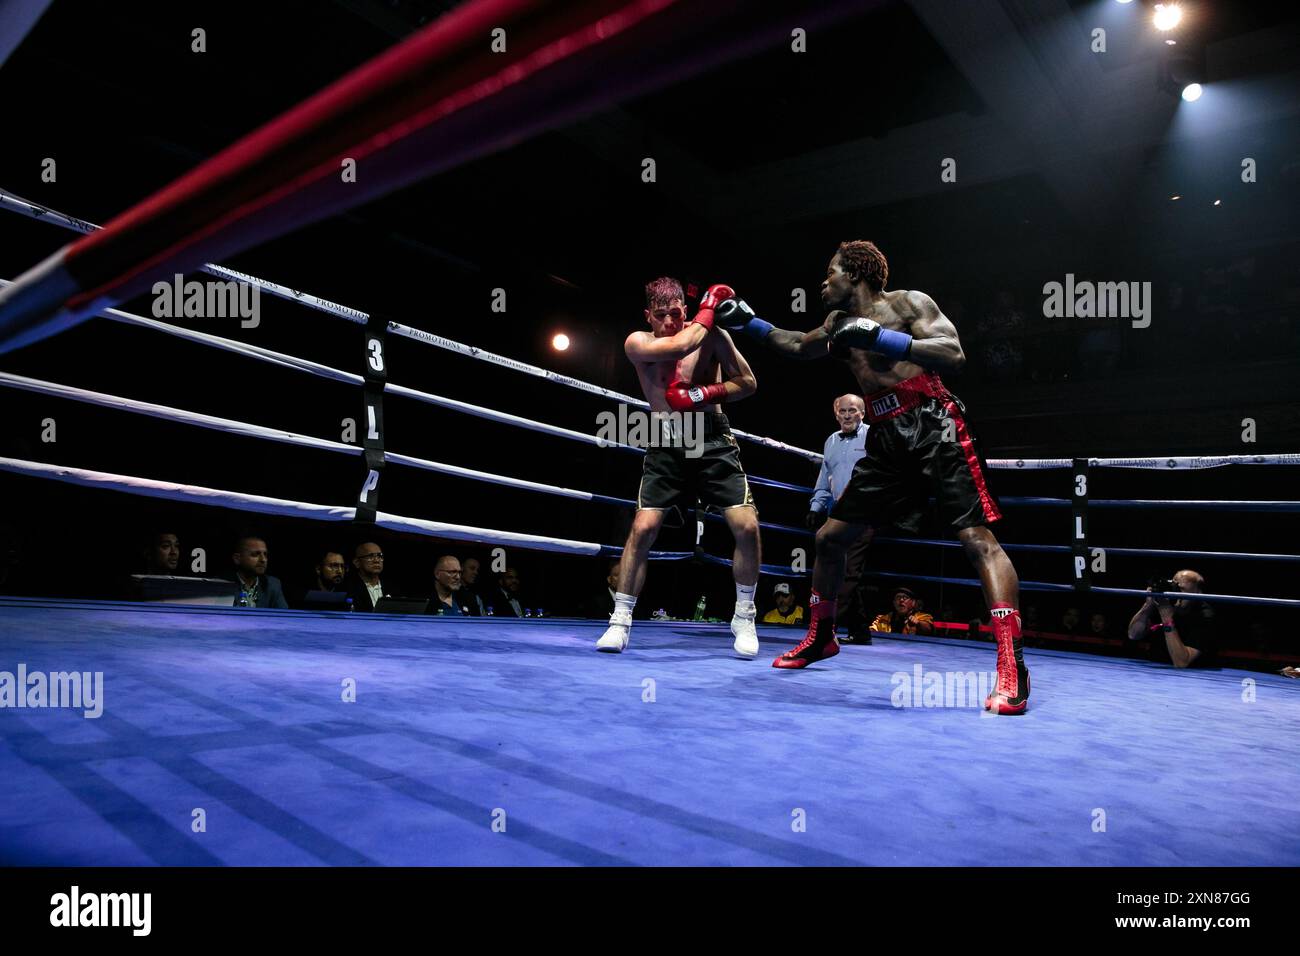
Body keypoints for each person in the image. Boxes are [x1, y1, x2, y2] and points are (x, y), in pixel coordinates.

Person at [718, 240, 1029, 714]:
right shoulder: (836, 326)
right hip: (884, 437)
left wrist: (883, 338)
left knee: (976, 538)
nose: (823, 284)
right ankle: (822, 636)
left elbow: (953, 352)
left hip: (932, 421)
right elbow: (797, 345)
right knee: (829, 539)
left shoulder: (908, 303)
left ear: (856, 274)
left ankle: (1012, 666)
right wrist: (748, 321)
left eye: (831, 274)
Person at [596, 277, 762, 658]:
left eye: (676, 313)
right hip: (667, 439)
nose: (670, 321)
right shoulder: (638, 342)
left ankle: (744, 615)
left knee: (747, 525)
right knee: (644, 525)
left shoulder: (714, 336)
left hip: (713, 438)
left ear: (685, 310)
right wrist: (708, 308)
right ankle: (620, 621)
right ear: (647, 316)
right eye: (661, 315)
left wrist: (707, 392)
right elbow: (682, 345)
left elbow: (749, 383)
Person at [807, 394, 873, 643]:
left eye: (853, 411)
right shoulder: (831, 441)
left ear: (862, 413)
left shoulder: (872, 436)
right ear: (836, 414)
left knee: (847, 570)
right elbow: (825, 476)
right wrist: (816, 507)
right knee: (840, 567)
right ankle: (860, 630)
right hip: (837, 513)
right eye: (843, 411)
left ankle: (826, 629)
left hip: (865, 512)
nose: (847, 415)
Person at [1125, 570, 1217, 668]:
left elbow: (1181, 663)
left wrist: (1166, 615)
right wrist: (1148, 605)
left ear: (1198, 592)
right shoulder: (1164, 600)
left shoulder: (1205, 615)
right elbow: (1133, 635)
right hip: (1155, 666)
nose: (1176, 593)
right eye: (1175, 587)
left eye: (1182, 589)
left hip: (1189, 676)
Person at [230, 535, 288, 609]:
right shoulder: (221, 585)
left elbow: (283, 616)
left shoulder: (272, 585)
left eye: (265, 554)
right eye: (255, 554)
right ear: (237, 559)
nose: (263, 560)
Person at [868, 585, 934, 636]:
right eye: (898, 597)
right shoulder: (883, 619)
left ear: (913, 603)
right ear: (894, 603)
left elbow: (927, 629)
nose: (901, 600)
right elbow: (872, 632)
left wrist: (918, 624)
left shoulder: (922, 617)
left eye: (905, 597)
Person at [347, 542, 388, 611]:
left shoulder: (393, 589)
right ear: (357, 562)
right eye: (370, 556)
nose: (376, 560)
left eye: (379, 556)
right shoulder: (349, 589)